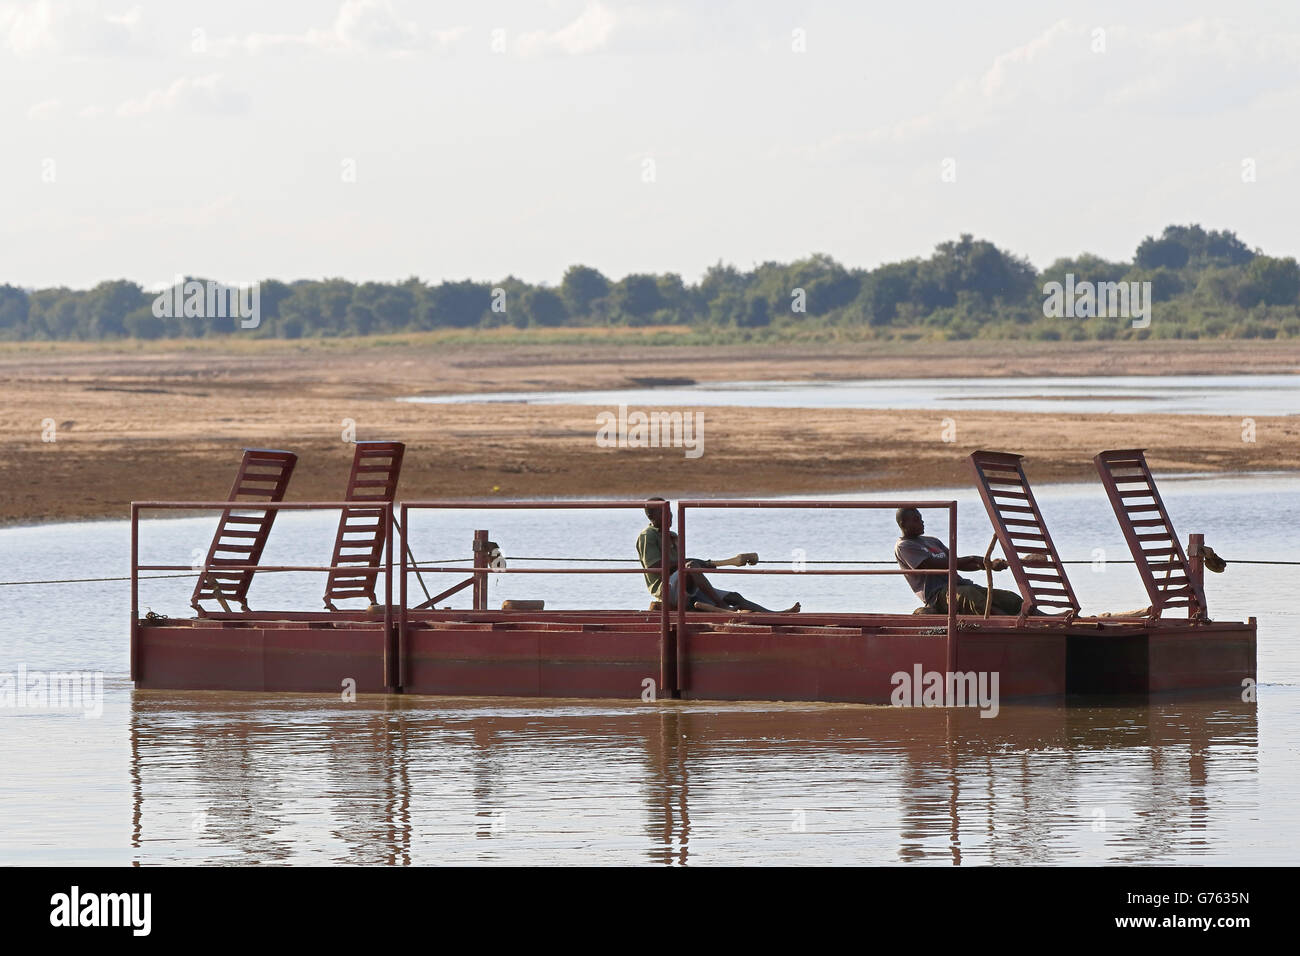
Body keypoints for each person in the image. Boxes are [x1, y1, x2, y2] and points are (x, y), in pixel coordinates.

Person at [636, 497, 800, 613]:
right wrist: (689, 561)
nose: (671, 516)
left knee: (735, 597)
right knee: (691, 566)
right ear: (651, 516)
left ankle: (775, 614)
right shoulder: (648, 536)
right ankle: (721, 606)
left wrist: (680, 548)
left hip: (684, 585)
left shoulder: (671, 535)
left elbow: (680, 563)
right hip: (666, 589)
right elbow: (654, 567)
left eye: (670, 512)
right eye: (664, 513)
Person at [893, 507, 1024, 615]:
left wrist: (987, 565)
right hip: (939, 595)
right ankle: (1008, 622)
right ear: (903, 523)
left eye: (921, 519)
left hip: (959, 585)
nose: (922, 522)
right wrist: (974, 558)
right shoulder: (904, 546)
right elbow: (935, 565)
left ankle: (1038, 618)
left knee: (1008, 598)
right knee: (971, 596)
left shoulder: (932, 541)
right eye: (916, 520)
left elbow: (956, 562)